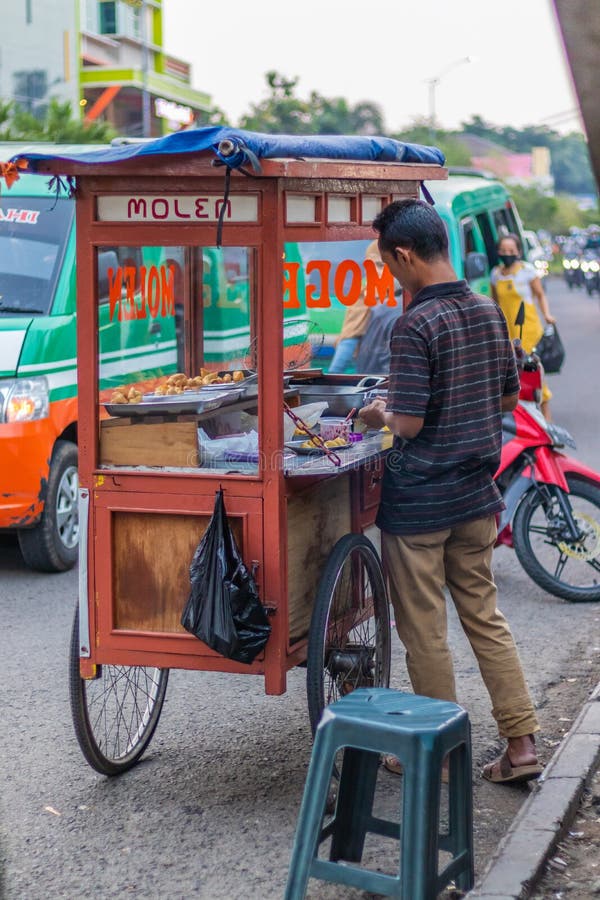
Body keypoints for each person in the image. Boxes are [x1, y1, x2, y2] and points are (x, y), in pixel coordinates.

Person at [358, 198, 543, 785]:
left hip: (420, 507)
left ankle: (436, 755)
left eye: (389, 263)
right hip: (476, 500)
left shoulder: (417, 322)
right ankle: (521, 745)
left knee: (424, 632)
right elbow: (511, 398)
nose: (391, 274)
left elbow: (407, 423)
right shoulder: (488, 310)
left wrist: (375, 413)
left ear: (405, 255)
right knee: (485, 619)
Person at [491, 233, 556, 419]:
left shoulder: (527, 271)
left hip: (528, 332)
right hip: (507, 335)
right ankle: (522, 421)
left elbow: (540, 295)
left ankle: (547, 421)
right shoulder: (495, 274)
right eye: (503, 250)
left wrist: (547, 315)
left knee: (534, 375)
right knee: (512, 378)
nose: (507, 253)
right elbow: (495, 302)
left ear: (519, 251)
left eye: (511, 250)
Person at [327, 241, 381, 373]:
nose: (380, 272)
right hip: (370, 372)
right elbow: (349, 339)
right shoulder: (363, 295)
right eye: (374, 265)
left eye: (382, 265)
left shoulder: (402, 295)